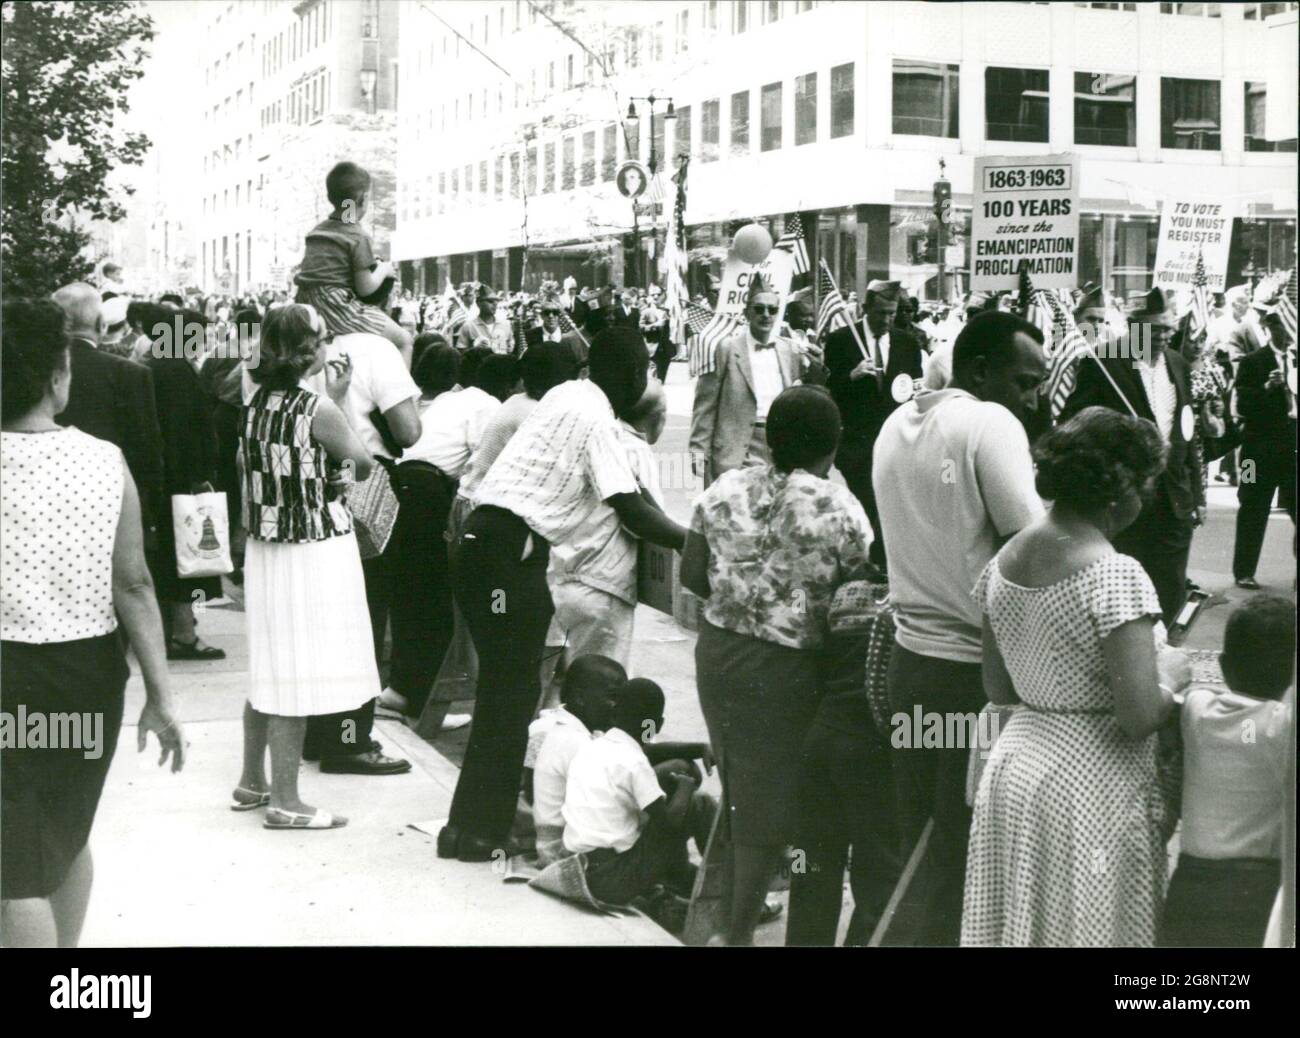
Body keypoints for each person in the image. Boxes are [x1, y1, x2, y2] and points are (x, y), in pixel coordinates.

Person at [438, 327, 685, 863]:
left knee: (498, 698)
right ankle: (483, 835)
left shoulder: (564, 396)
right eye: (642, 370)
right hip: (511, 557)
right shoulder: (598, 420)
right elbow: (633, 509)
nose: (644, 382)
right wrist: (697, 541)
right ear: (627, 373)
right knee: (512, 699)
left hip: (477, 544)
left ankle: (463, 830)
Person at [964, 407, 1191, 946]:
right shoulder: (1114, 572)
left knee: (1026, 923)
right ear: (1121, 493)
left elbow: (998, 689)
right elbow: (1138, 717)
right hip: (1091, 778)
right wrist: (1172, 678)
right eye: (1146, 485)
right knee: (1090, 925)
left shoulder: (1007, 557)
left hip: (1017, 770)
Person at [2, 300, 185, 946]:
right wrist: (161, 696)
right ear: (56, 378)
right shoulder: (106, 462)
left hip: (7, 678)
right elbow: (133, 584)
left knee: (13, 867)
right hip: (87, 678)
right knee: (65, 832)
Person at [872, 310, 1047, 946]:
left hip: (909, 666)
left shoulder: (896, 424)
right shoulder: (989, 423)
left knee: (920, 847)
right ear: (978, 370)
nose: (1033, 399)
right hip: (973, 677)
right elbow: (1036, 547)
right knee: (961, 859)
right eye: (1025, 382)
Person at [681, 385, 872, 946]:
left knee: (745, 788)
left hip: (718, 654)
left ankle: (729, 921)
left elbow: (694, 575)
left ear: (769, 440)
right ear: (833, 446)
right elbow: (855, 599)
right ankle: (734, 934)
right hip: (787, 668)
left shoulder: (725, 486)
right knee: (769, 806)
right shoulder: (840, 507)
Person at [234, 305, 381, 828]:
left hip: (266, 544)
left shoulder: (253, 402)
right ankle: (286, 801)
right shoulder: (318, 407)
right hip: (314, 545)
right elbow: (360, 464)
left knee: (270, 664)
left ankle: (252, 781)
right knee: (296, 669)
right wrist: (338, 403)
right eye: (322, 338)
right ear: (308, 351)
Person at [297, 330, 421, 775]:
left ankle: (319, 732)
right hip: (350, 497)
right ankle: (347, 740)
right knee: (363, 619)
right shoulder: (368, 355)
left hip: (308, 514)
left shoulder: (273, 397)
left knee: (327, 623)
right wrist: (342, 401)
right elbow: (361, 461)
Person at [376, 349, 514, 720]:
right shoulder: (482, 404)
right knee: (434, 606)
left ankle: (401, 690)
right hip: (426, 494)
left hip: (399, 489)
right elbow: (482, 463)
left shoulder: (435, 403)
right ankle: (420, 698)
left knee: (408, 595)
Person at [1061, 287, 1204, 622]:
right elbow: (1074, 425)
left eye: (1168, 329)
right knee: (1125, 596)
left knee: (1171, 592)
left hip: (1174, 502)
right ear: (1133, 327)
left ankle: (1164, 661)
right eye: (1154, 330)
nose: (1163, 337)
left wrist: (1196, 493)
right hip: (1126, 503)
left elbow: (1187, 430)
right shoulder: (1103, 363)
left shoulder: (1178, 364)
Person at [1160, 596, 1293, 947]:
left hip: (1192, 881)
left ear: (1223, 665)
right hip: (1257, 886)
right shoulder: (1283, 727)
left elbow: (1181, 694)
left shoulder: (1197, 710)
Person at [562, 678, 716, 911]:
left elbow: (646, 749)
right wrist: (686, 787)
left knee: (662, 811)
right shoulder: (635, 763)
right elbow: (669, 825)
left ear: (614, 714)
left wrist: (697, 749)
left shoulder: (592, 746)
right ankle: (726, 896)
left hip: (581, 868)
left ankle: (686, 880)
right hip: (613, 879)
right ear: (658, 725)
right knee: (699, 804)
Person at [51, 283, 166, 567]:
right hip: (113, 506)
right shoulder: (130, 374)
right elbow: (148, 451)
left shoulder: (33, 370)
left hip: (47, 506)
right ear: (102, 325)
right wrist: (148, 514)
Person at [141, 308, 228, 660]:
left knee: (169, 560)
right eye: (200, 334)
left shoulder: (158, 363)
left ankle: (172, 630)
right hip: (182, 482)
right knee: (188, 562)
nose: (205, 341)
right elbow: (185, 430)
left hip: (165, 480)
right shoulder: (176, 370)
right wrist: (198, 478)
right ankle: (185, 634)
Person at [824, 280, 926, 570]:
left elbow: (914, 388)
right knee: (868, 505)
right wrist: (851, 376)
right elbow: (828, 391)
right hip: (857, 446)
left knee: (891, 508)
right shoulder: (842, 340)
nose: (886, 320)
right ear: (865, 308)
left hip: (896, 444)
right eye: (880, 313)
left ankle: (884, 566)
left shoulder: (907, 343)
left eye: (892, 314)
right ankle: (867, 565)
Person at [689, 278, 807, 486]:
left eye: (772, 310)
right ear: (747, 313)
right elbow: (705, 405)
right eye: (759, 309)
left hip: (777, 447)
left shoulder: (789, 350)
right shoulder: (725, 348)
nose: (765, 315)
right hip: (736, 451)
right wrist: (698, 453)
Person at [292, 161, 412, 362]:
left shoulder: (318, 231)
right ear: (364, 199)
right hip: (336, 305)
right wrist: (384, 269)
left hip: (304, 302)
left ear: (331, 197)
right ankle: (403, 392)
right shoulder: (357, 235)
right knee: (404, 341)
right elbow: (365, 288)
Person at [528, 654, 625, 864]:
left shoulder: (582, 728)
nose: (619, 706)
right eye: (613, 697)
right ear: (580, 698)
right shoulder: (559, 734)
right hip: (562, 847)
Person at [1231, 309, 1297, 590]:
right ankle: (1243, 571)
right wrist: (1267, 389)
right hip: (1255, 454)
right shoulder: (1252, 362)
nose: (1288, 332)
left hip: (1292, 450)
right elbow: (1241, 406)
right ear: (1270, 328)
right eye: (1281, 326)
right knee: (1251, 506)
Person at [524, 299, 587, 369]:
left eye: (555, 312)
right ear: (541, 315)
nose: (551, 316)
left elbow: (578, 362)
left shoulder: (570, 336)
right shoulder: (530, 335)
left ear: (559, 315)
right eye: (547, 312)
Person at [456, 286, 515, 356]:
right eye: (490, 301)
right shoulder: (468, 326)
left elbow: (511, 350)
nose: (495, 304)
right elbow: (461, 352)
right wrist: (475, 349)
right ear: (479, 303)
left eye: (496, 301)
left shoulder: (506, 325)